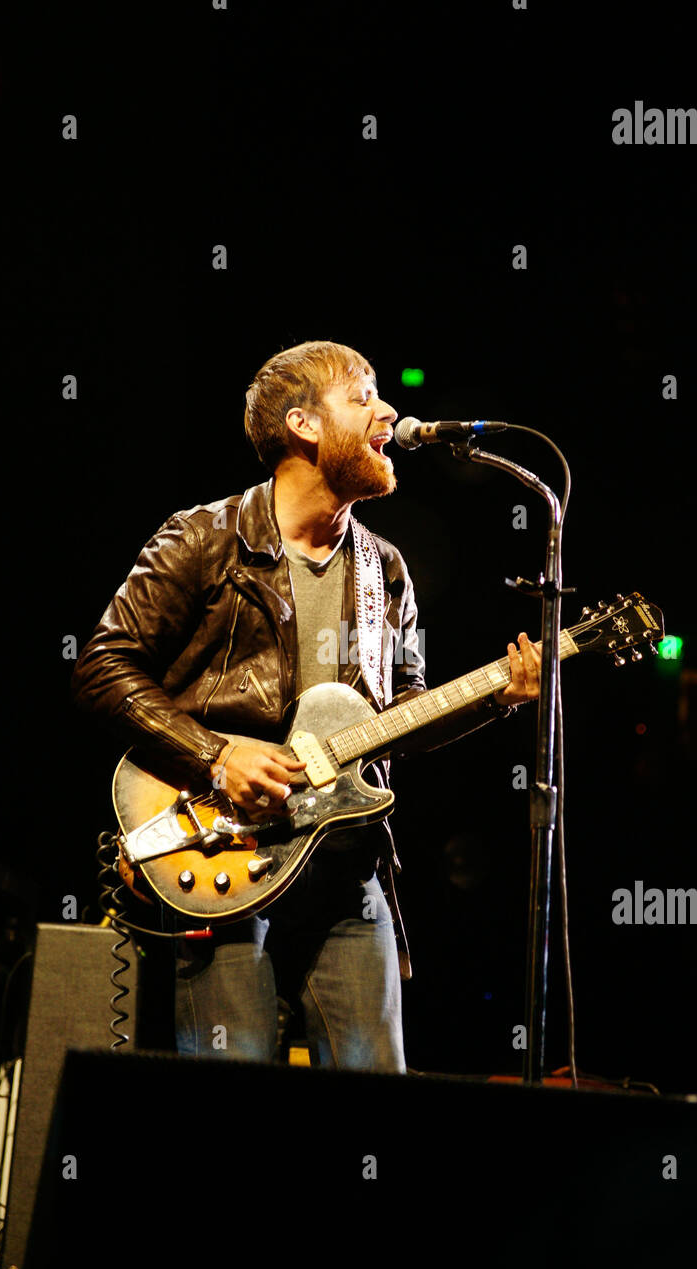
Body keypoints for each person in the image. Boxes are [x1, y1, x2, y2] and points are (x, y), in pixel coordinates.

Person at [71, 340, 540, 1074]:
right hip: (224, 849)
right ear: (303, 425)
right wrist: (217, 755)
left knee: (376, 1097)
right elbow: (102, 667)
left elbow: (401, 717)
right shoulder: (204, 536)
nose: (389, 412)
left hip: (350, 870)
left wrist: (497, 700)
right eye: (364, 397)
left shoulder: (383, 568)